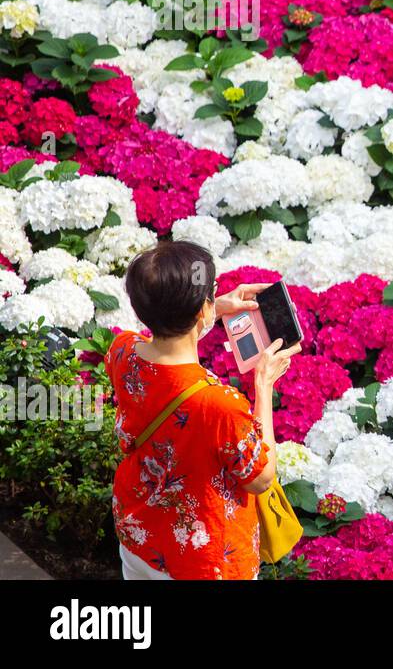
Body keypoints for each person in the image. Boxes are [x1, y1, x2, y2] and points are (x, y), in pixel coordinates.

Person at [106, 240, 300, 580]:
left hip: (139, 538)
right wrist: (264, 386)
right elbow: (261, 477)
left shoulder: (122, 352)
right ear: (201, 310)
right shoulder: (219, 404)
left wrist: (213, 308)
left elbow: (165, 340)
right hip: (202, 560)